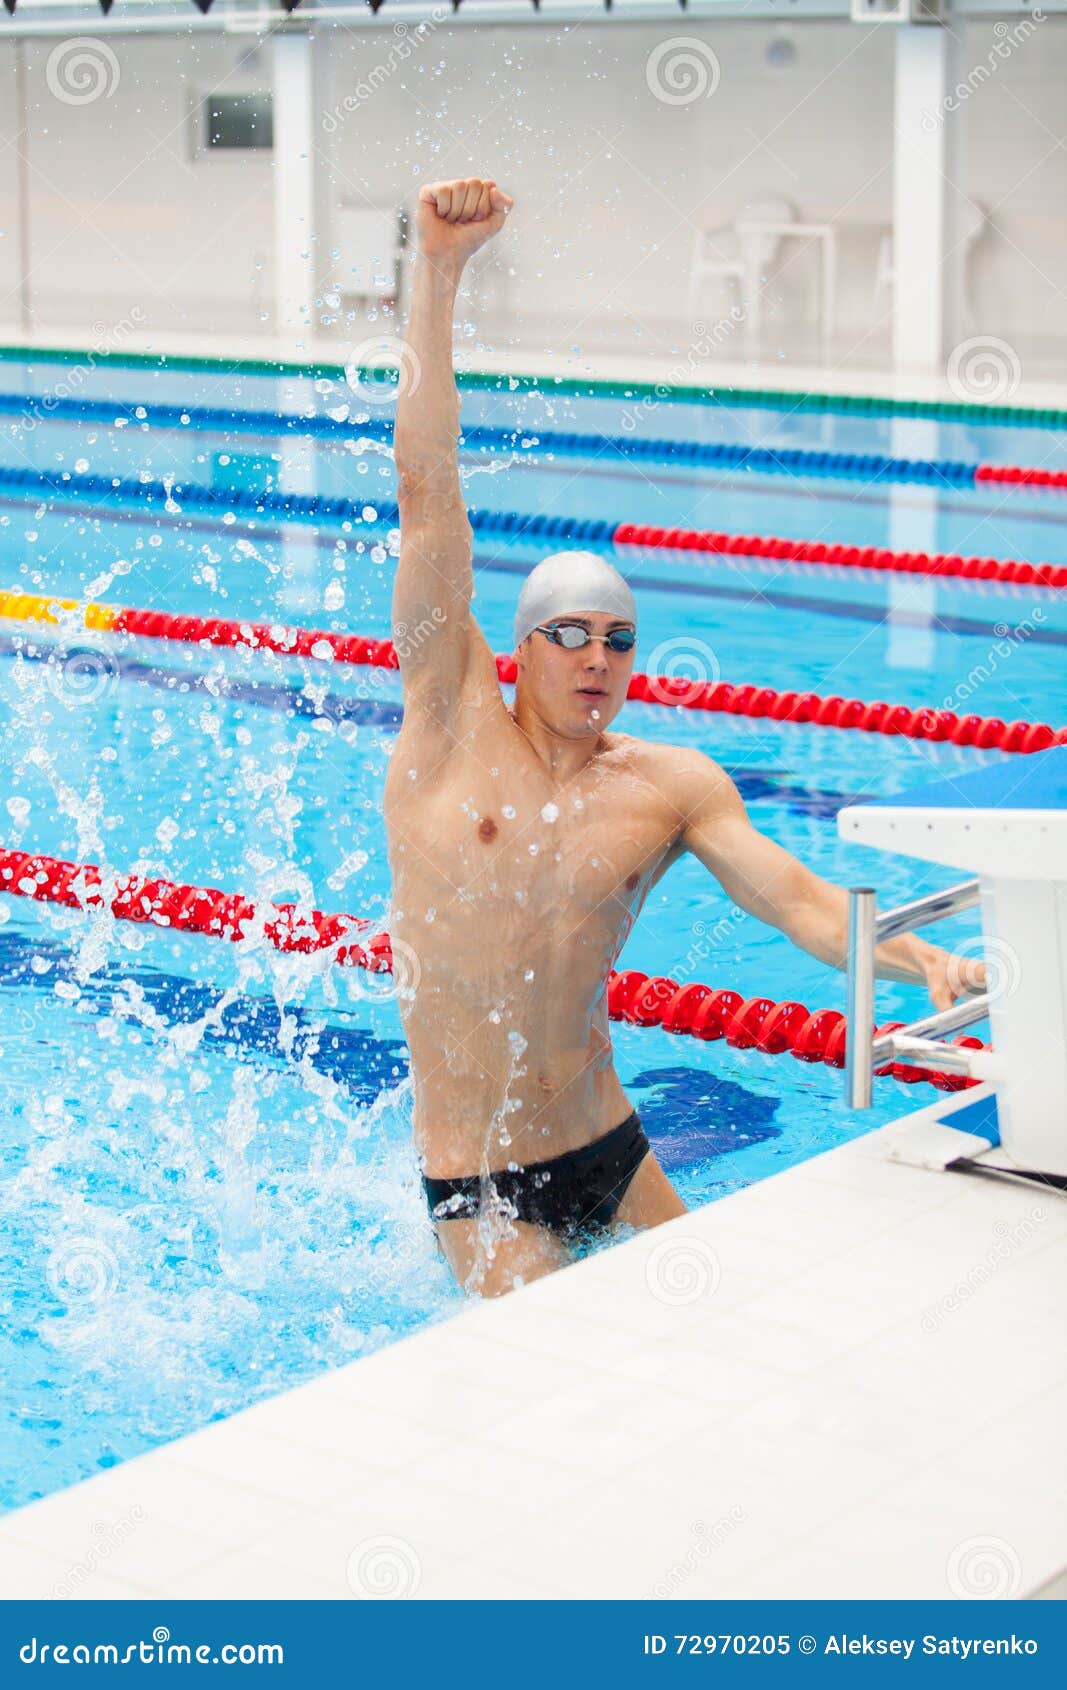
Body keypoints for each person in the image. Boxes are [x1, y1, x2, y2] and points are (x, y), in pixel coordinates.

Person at [383, 176, 985, 1299]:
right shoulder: (447, 723)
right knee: (550, 1405)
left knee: (721, 1347)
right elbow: (426, 492)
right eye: (568, 634)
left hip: (607, 1142)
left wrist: (919, 959)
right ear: (517, 647)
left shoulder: (667, 784)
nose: (596, 659)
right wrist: (436, 272)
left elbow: (799, 900)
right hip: (483, 1173)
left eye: (618, 639)